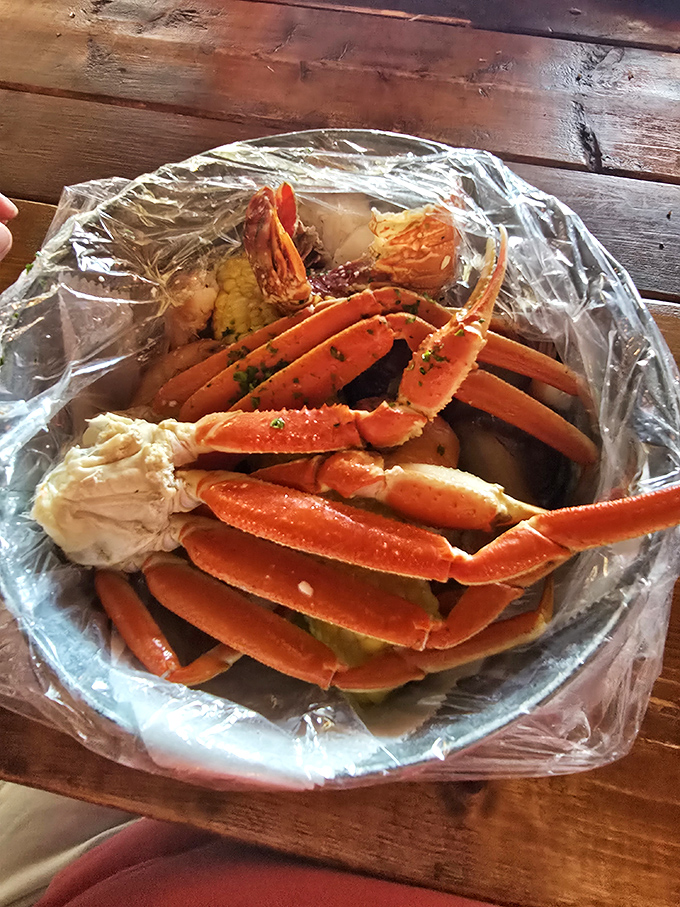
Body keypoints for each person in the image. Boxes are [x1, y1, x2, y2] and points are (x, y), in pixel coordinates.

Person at [0, 197, 495, 907]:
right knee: (375, 462)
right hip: (181, 478)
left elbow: (178, 669)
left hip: (174, 462)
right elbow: (184, 668)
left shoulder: (190, 432)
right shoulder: (199, 469)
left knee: (374, 401)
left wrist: (219, 654)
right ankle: (522, 563)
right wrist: (225, 648)